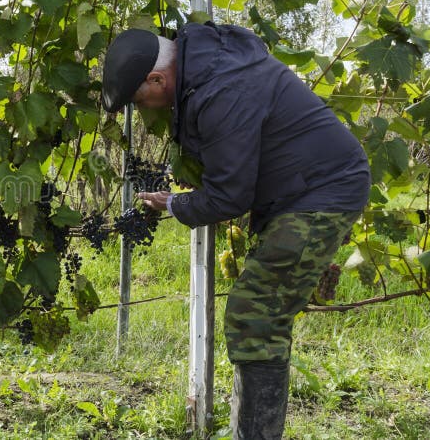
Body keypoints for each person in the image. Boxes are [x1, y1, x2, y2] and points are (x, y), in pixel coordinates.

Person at [101, 22, 370, 439]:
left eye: (141, 98)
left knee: (255, 315)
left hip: (323, 191)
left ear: (157, 77)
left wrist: (176, 203)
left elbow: (230, 196)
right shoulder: (206, 68)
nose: (146, 108)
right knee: (261, 309)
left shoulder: (222, 90)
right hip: (304, 188)